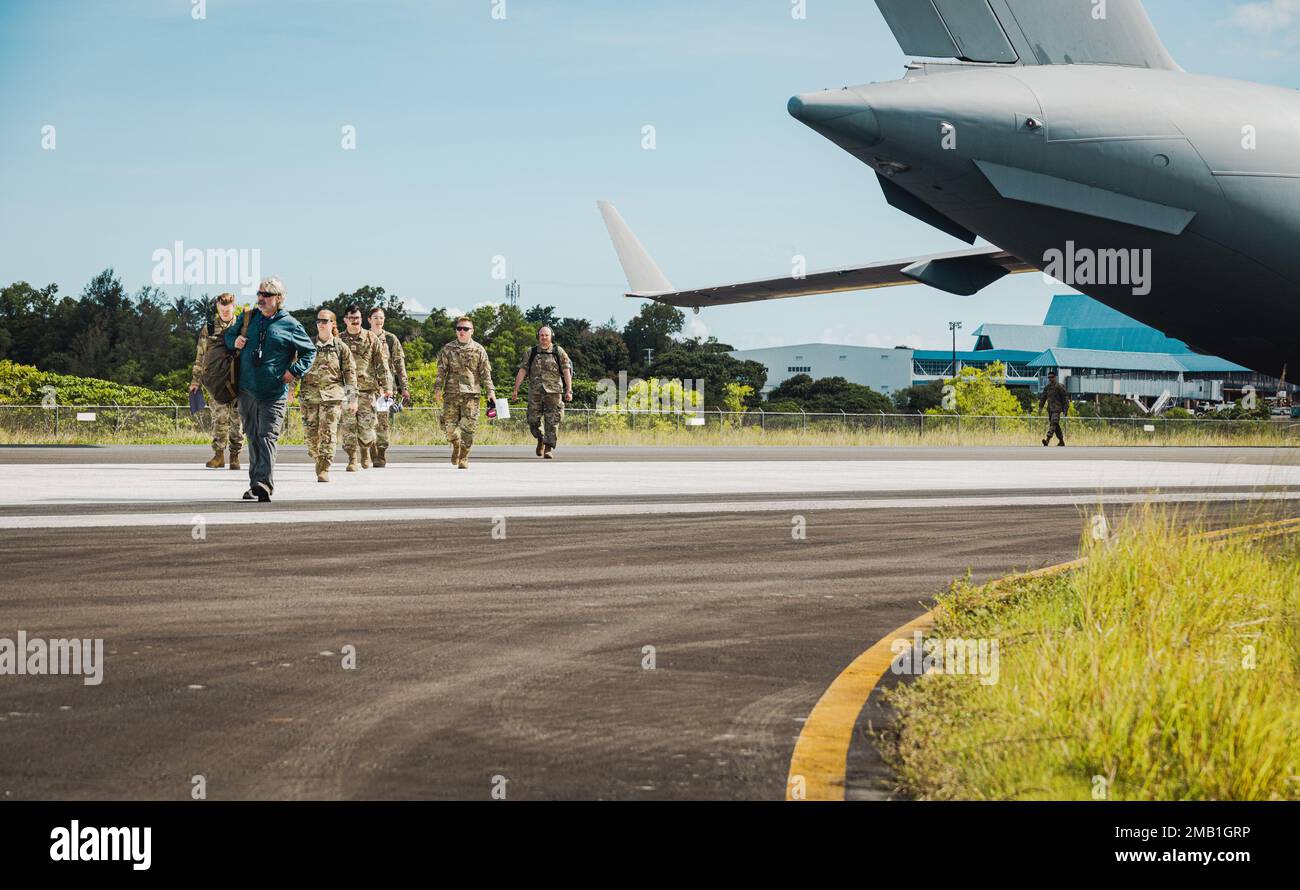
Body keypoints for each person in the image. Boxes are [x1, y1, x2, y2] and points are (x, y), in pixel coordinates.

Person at [224, 277, 316, 501]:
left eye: (266, 295)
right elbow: (227, 336)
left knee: (267, 436)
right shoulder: (249, 318)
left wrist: (294, 372)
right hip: (247, 390)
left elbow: (309, 351)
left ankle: (264, 483)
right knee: (253, 437)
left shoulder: (290, 324)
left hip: (274, 392)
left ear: (279, 298)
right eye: (259, 294)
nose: (261, 298)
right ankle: (255, 482)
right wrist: (234, 340)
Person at [300, 309, 358, 482]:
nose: (320, 324)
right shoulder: (307, 345)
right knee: (311, 437)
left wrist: (352, 398)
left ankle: (324, 467)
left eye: (325, 321)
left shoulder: (341, 347)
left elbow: (350, 374)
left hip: (332, 397)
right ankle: (318, 457)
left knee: (328, 433)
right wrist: (290, 389)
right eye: (318, 321)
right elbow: (298, 368)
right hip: (309, 396)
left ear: (333, 324)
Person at [189, 292, 244, 470]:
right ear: (217, 308)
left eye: (228, 310)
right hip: (216, 380)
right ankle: (219, 455)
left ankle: (235, 456)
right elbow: (201, 355)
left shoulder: (242, 325)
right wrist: (195, 380)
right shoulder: (210, 327)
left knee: (238, 419)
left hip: (238, 378)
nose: (225, 313)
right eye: (222, 310)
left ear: (234, 307)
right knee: (219, 418)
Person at [435, 316, 495, 469]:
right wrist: (437, 389)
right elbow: (441, 371)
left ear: (472, 331)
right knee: (449, 429)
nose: (462, 331)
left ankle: (464, 457)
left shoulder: (479, 349)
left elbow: (485, 373)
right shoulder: (448, 349)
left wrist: (490, 392)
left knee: (469, 428)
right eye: (459, 328)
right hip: (451, 394)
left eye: (465, 329)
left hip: (471, 395)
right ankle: (455, 445)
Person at [337, 304, 392, 472]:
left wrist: (387, 386)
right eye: (352, 318)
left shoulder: (371, 338)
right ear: (345, 320)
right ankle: (352, 458)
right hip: (347, 391)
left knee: (367, 427)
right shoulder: (339, 340)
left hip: (368, 389)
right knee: (348, 426)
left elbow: (381, 364)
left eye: (358, 318)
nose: (355, 321)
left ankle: (366, 450)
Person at [511, 325, 572, 458]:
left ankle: (548, 447)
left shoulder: (558, 351)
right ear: (538, 337)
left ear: (551, 337)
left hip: (554, 391)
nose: (544, 337)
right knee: (533, 420)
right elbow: (523, 370)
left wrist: (569, 390)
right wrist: (516, 389)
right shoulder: (531, 352)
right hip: (535, 392)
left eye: (547, 335)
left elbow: (566, 371)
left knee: (553, 419)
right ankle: (540, 438)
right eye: (541, 335)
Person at [368, 306, 408, 468]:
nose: (379, 321)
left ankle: (381, 453)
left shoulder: (391, 339)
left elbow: (400, 364)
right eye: (376, 318)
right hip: (367, 387)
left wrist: (404, 386)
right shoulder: (364, 337)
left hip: (386, 388)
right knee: (368, 420)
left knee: (383, 421)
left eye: (381, 318)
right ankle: (370, 449)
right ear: (369, 320)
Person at [1039, 371, 1070, 447]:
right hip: (1050, 409)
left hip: (1057, 409)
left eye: (1052, 377)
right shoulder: (1047, 387)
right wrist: (1040, 407)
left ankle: (1047, 440)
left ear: (1055, 377)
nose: (1050, 379)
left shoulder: (1060, 386)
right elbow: (1043, 398)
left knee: (1053, 423)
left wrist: (1065, 409)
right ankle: (1061, 441)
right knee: (1056, 426)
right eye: (1049, 377)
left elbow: (1065, 398)